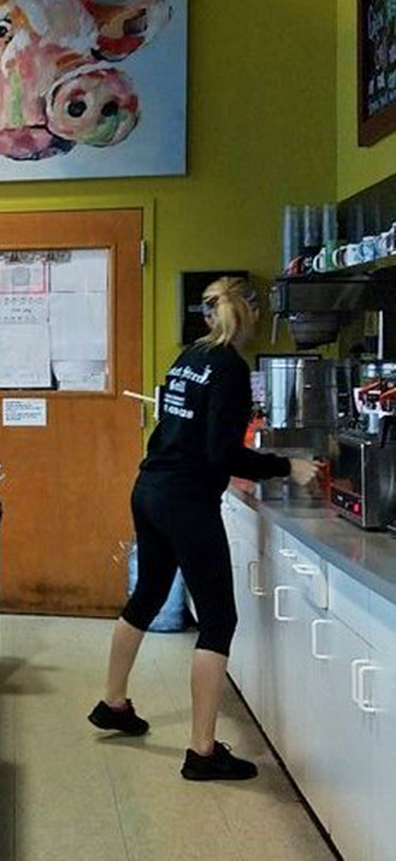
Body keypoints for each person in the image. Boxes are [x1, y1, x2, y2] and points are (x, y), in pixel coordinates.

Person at [88, 275, 318, 781]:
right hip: (187, 501)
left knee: (147, 595)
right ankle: (202, 750)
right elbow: (222, 453)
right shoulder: (231, 369)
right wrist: (287, 467)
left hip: (149, 488)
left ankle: (113, 703)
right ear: (251, 312)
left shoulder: (188, 357)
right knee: (219, 621)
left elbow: (176, 430)